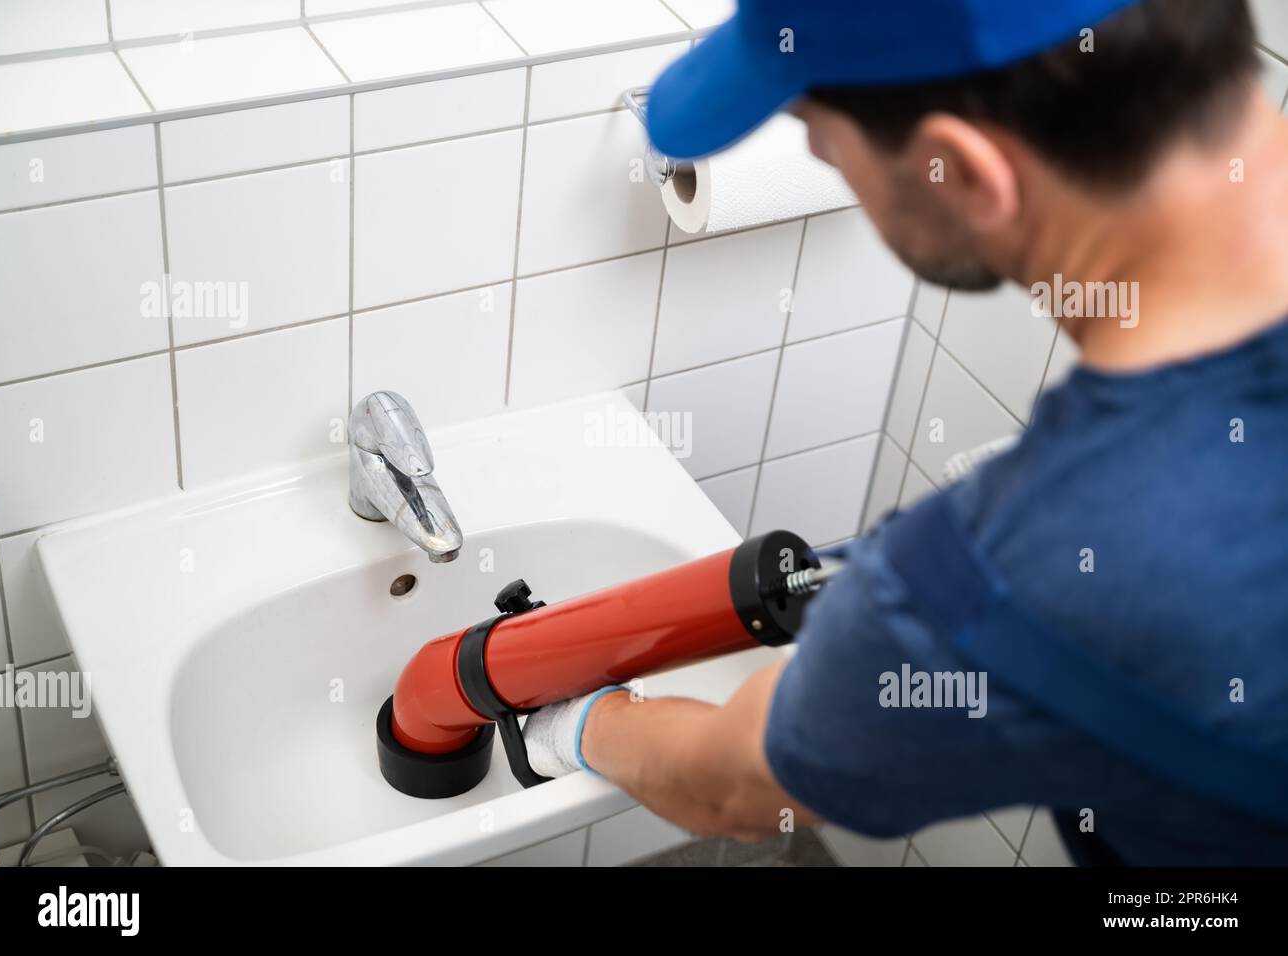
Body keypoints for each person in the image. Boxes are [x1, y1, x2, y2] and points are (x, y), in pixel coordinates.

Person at [523, 0, 1288, 865]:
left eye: (818, 132)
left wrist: (577, 724)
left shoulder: (1004, 577)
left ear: (955, 171)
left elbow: (729, 784)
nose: (816, 156)